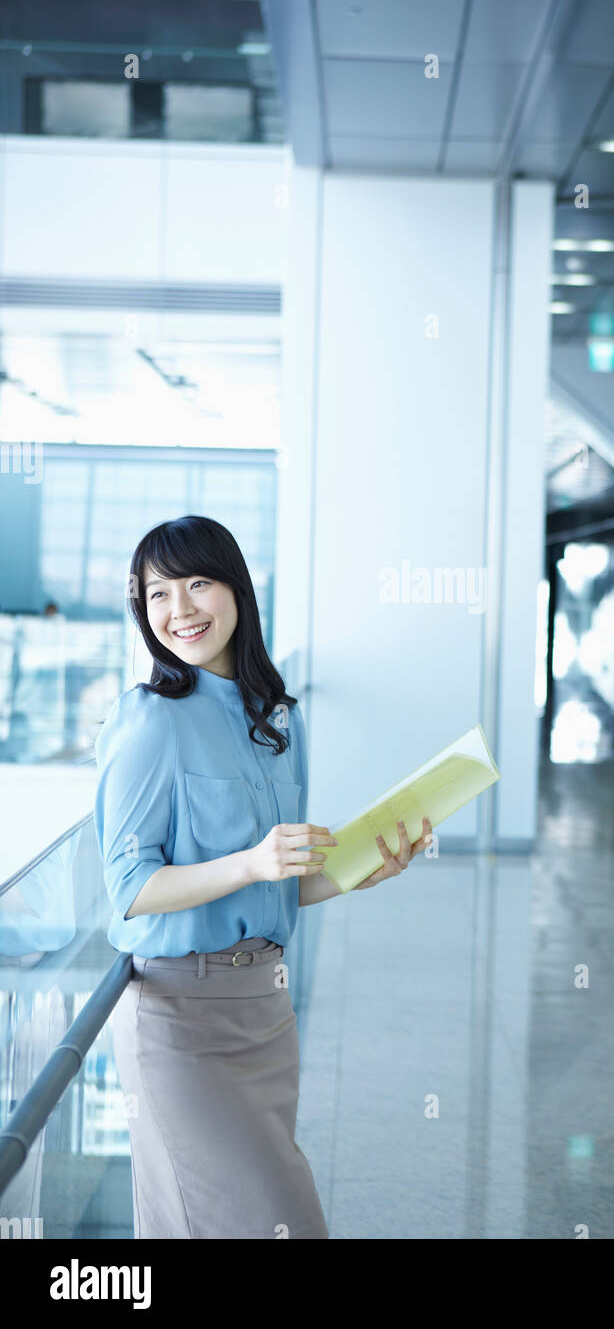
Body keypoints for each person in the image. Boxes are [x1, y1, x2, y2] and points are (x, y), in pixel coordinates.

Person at [93, 514, 430, 1239]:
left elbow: (278, 881)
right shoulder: (149, 721)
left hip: (265, 1013)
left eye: (197, 584)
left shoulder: (276, 720)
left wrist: (356, 874)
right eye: (156, 595)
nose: (178, 610)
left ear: (237, 592)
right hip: (178, 1018)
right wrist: (252, 861)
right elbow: (131, 889)